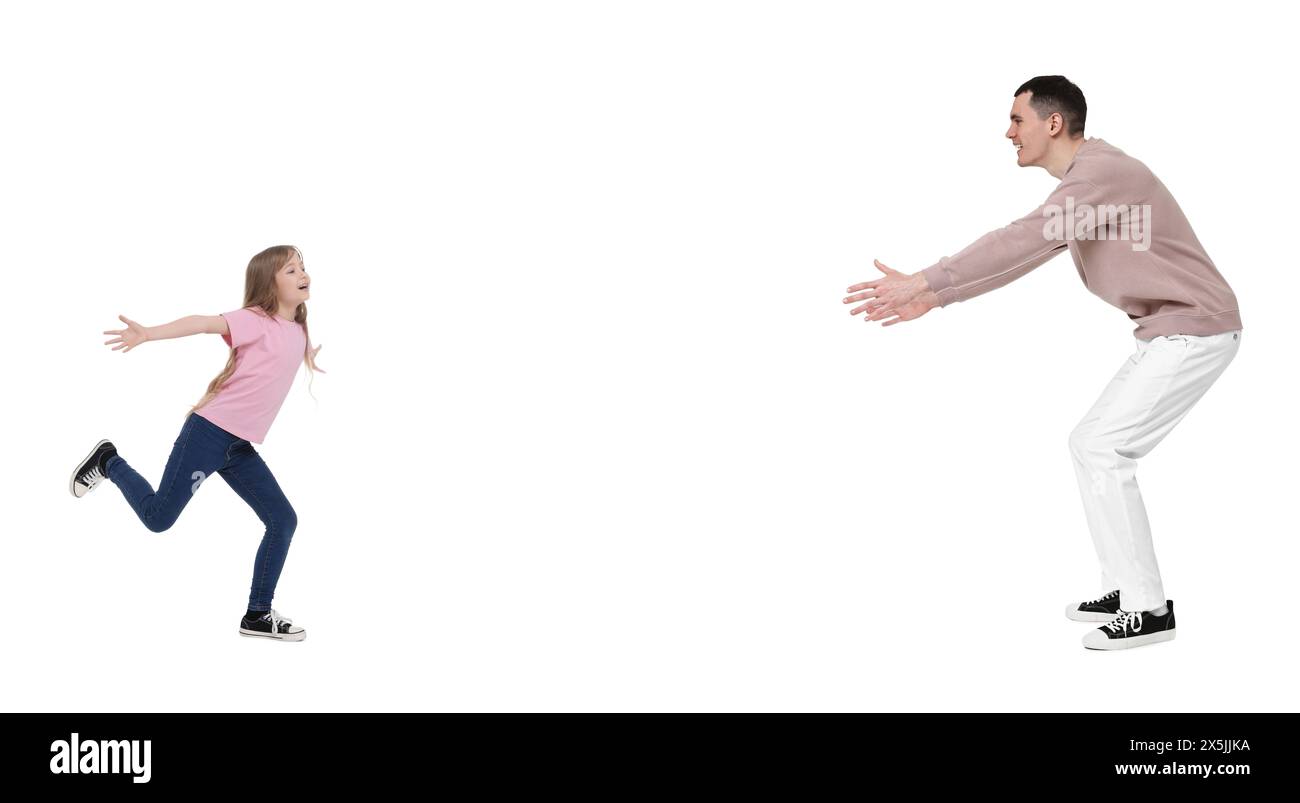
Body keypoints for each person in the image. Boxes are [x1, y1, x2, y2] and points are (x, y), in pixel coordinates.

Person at [842, 76, 1242, 651]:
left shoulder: (1105, 174)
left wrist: (929, 279)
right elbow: (1034, 250)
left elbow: (1022, 238)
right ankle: (1127, 587)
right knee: (1091, 444)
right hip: (1168, 333)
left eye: (1016, 120)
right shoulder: (1089, 183)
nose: (1008, 133)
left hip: (1196, 330)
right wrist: (939, 297)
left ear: (1052, 123)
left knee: (1102, 448)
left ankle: (1148, 609)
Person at [69, 245, 325, 642]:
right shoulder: (254, 320)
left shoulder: (299, 329)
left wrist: (309, 355)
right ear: (269, 284)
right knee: (158, 518)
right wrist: (149, 333)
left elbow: (284, 355)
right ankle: (109, 462)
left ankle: (257, 615)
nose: (302, 274)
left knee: (283, 520)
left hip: (239, 447)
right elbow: (204, 324)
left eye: (303, 267)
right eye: (291, 270)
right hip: (208, 434)